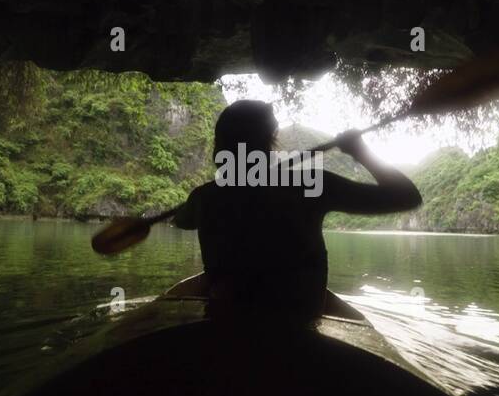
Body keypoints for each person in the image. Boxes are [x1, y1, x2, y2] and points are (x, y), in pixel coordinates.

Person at [173, 100, 421, 325]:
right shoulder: (311, 185)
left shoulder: (204, 197)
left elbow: (182, 221)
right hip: (298, 331)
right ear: (269, 141)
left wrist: (196, 204)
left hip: (225, 326)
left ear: (221, 145)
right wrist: (360, 151)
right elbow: (406, 196)